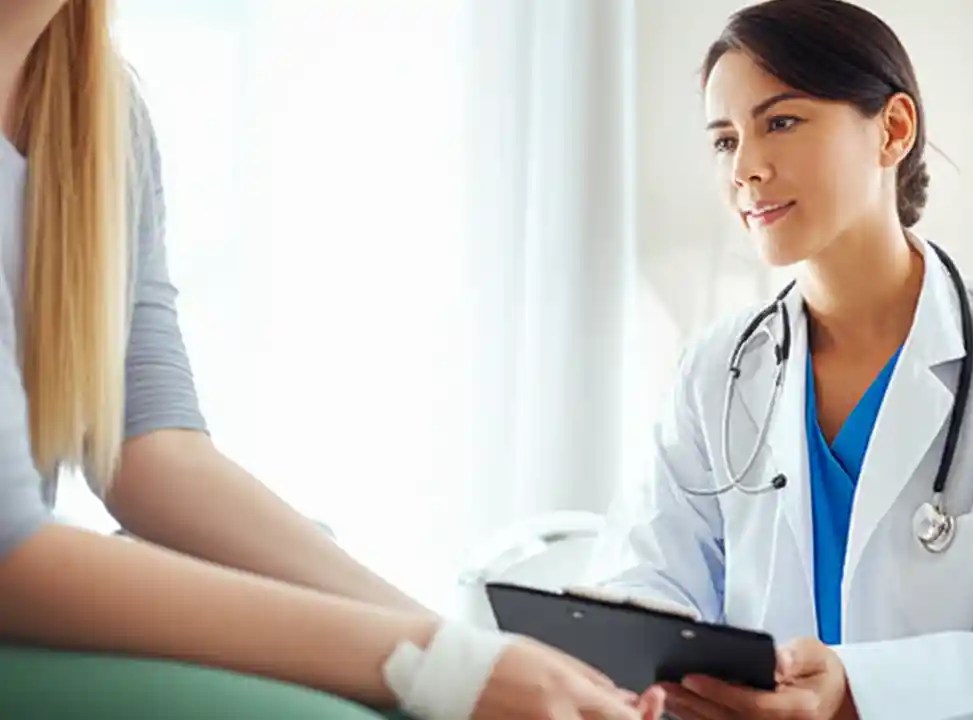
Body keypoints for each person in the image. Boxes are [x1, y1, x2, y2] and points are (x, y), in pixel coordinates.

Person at [0, 2, 664, 718]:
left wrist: (471, 652)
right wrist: (439, 665)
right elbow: (11, 551)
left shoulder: (98, 114)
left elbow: (153, 455)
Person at [603, 1, 973, 718]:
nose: (747, 168)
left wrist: (852, 692)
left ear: (892, 130)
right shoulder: (714, 372)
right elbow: (647, 579)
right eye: (725, 140)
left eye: (781, 122)